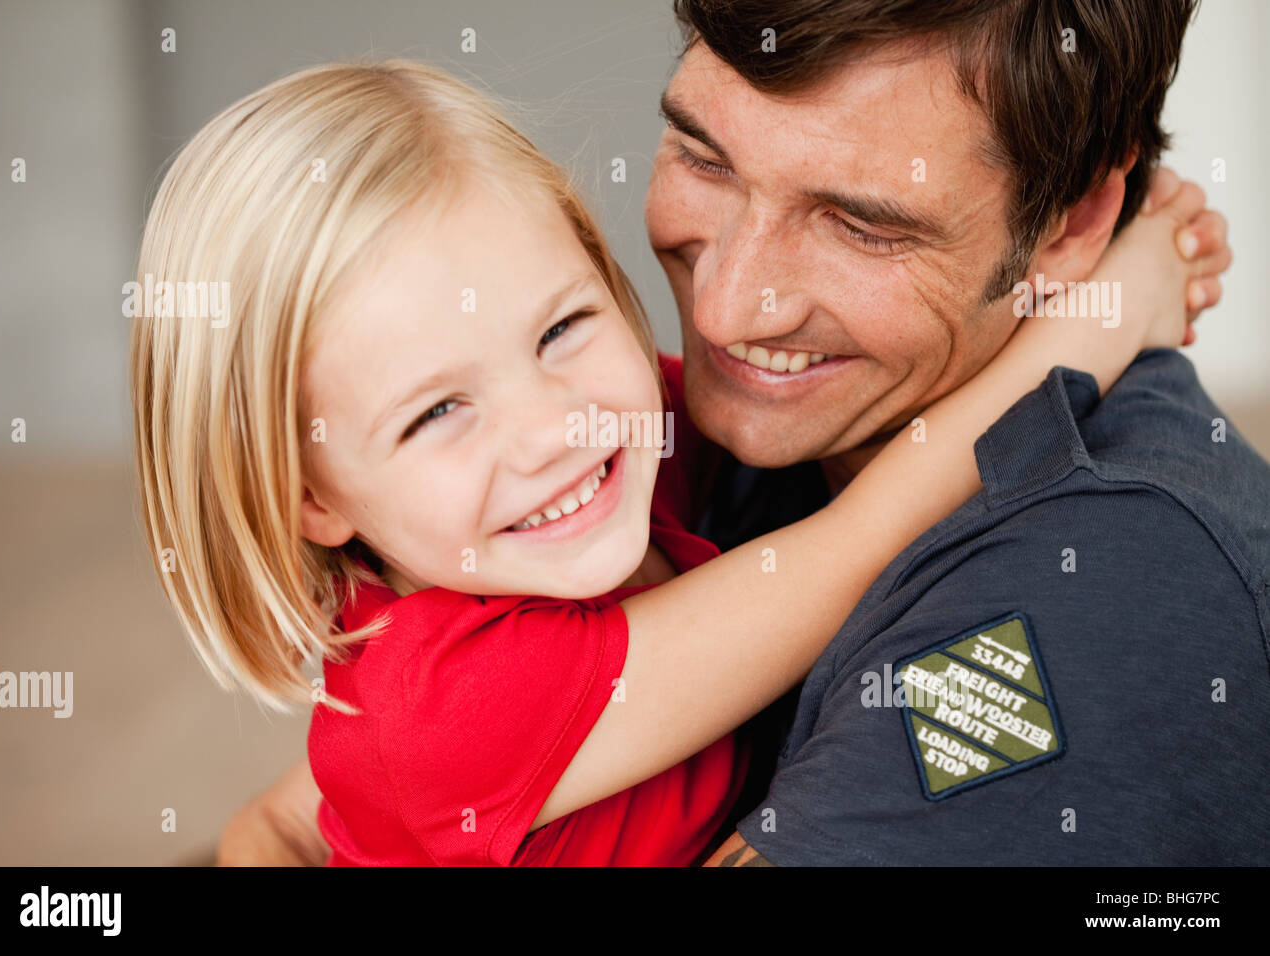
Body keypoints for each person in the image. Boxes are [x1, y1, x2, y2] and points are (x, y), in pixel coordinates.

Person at [220, 0, 1262, 866]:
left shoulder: (1099, 598)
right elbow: (283, 816)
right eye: (705, 158)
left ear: (1075, 223)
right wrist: (1110, 312)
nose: (721, 314)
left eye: (860, 224)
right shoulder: (641, 453)